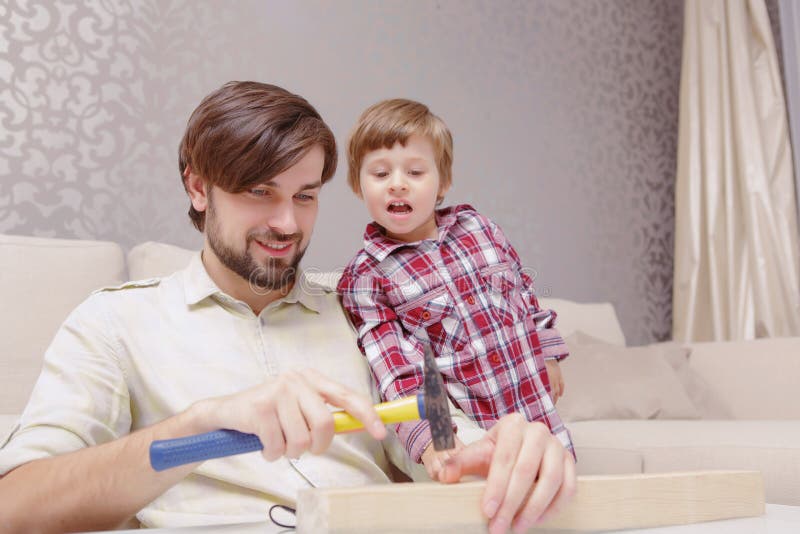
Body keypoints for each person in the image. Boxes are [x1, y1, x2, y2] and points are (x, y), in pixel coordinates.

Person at [0, 82, 575, 534]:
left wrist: (506, 450)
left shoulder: (365, 306)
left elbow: (444, 439)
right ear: (198, 189)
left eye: (305, 196)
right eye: (260, 193)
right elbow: (15, 507)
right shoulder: (115, 324)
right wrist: (199, 425)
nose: (287, 223)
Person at [337, 98, 574, 478]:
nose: (397, 184)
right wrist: (433, 439)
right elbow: (397, 370)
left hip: (538, 412)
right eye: (380, 174)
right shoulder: (365, 277)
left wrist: (546, 347)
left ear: (443, 181)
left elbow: (521, 289)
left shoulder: (478, 227)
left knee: (558, 500)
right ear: (357, 184)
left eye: (415, 172)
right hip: (477, 433)